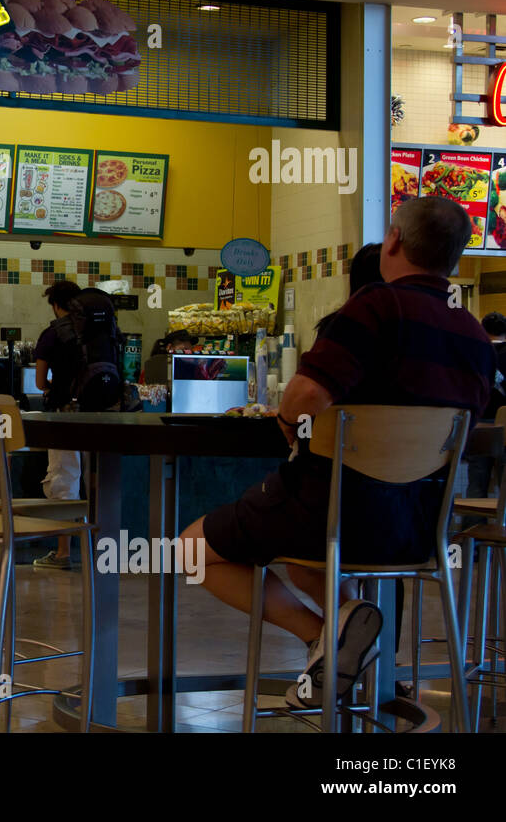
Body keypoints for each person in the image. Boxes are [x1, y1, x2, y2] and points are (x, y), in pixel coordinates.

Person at [181, 198, 495, 710]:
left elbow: (303, 398)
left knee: (190, 551)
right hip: (417, 527)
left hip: (331, 509)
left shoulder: (375, 307)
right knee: (310, 565)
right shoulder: (475, 335)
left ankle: (320, 637)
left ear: (393, 240)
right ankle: (360, 652)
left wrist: (288, 424)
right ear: (456, 257)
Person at [31, 280, 83, 569]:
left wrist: (54, 388)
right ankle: (103, 548)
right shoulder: (96, 332)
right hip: (101, 414)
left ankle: (64, 553)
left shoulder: (51, 335)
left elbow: (40, 382)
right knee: (99, 481)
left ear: (55, 304)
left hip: (65, 413)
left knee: (64, 479)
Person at [467, 310, 506, 498]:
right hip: (505, 425)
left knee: (476, 482)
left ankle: (472, 525)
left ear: (482, 329)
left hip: (479, 424)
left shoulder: (475, 353)